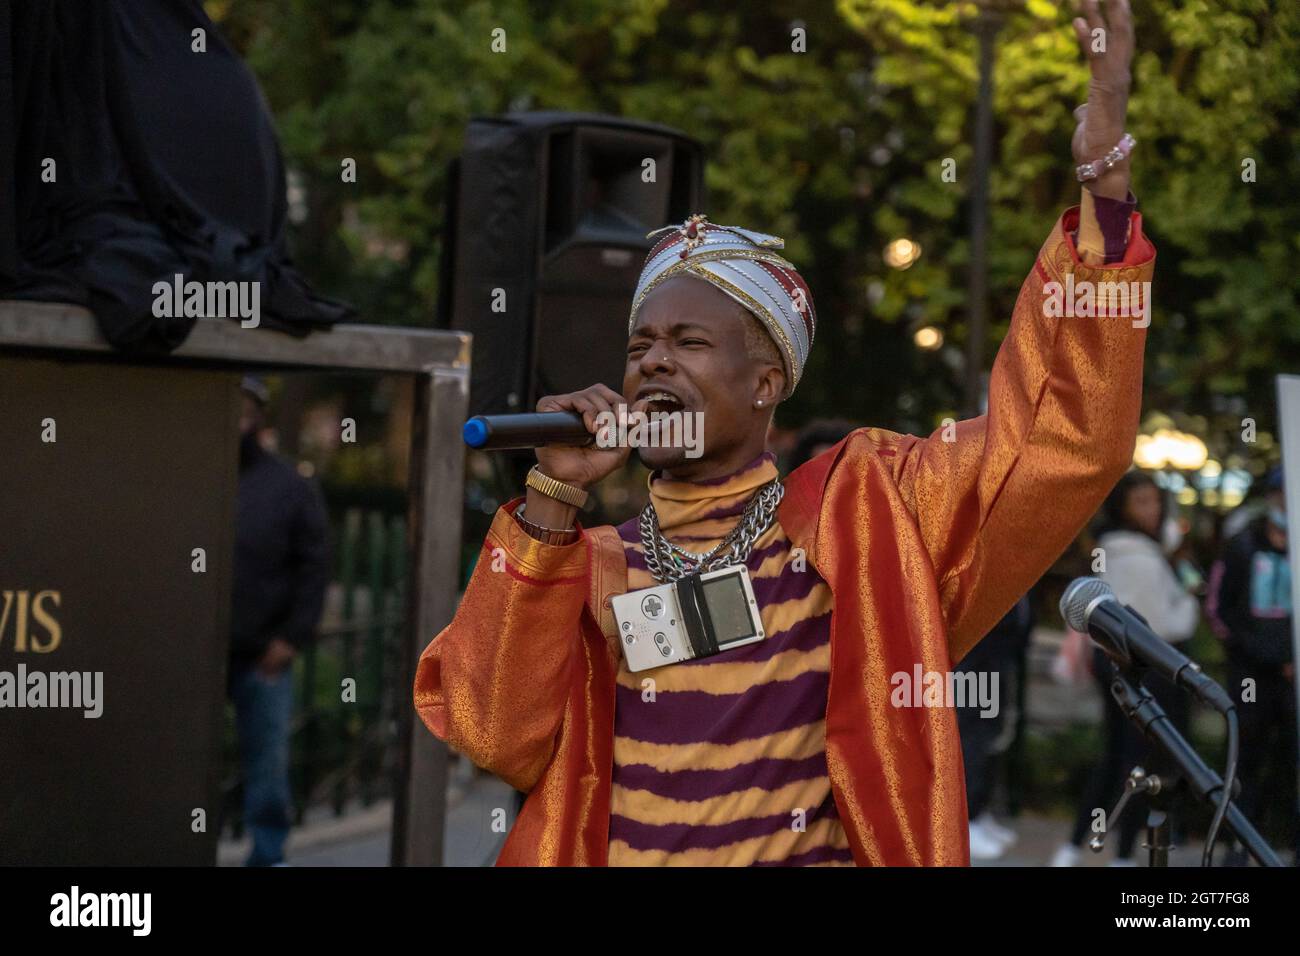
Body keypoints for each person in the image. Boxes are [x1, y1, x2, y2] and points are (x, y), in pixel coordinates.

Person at [416, 1, 1153, 865]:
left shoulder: (872, 515)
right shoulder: (595, 563)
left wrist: (1102, 183)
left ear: (767, 382)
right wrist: (551, 497)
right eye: (640, 346)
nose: (653, 364)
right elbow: (489, 729)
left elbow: (1062, 438)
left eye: (689, 343)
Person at [1051, 471, 1199, 866]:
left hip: (1117, 666)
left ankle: (1075, 847)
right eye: (1141, 502)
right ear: (1122, 508)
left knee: (1118, 756)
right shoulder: (1138, 558)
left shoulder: (1118, 549)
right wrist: (1189, 605)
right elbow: (1162, 625)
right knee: (1136, 761)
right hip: (1143, 669)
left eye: (1155, 501)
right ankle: (1121, 853)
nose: (1151, 510)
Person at [228, 375, 331, 866]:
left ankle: (266, 857)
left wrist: (291, 639)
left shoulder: (288, 485)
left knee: (267, 767)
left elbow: (315, 564)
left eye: (245, 405)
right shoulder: (186, 474)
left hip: (261, 654)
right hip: (189, 653)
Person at [1207, 466, 1297, 864]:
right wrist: (1259, 655)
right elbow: (1218, 609)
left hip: (1291, 679)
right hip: (1252, 678)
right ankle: (1236, 847)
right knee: (1245, 763)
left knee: (1290, 764)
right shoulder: (1243, 546)